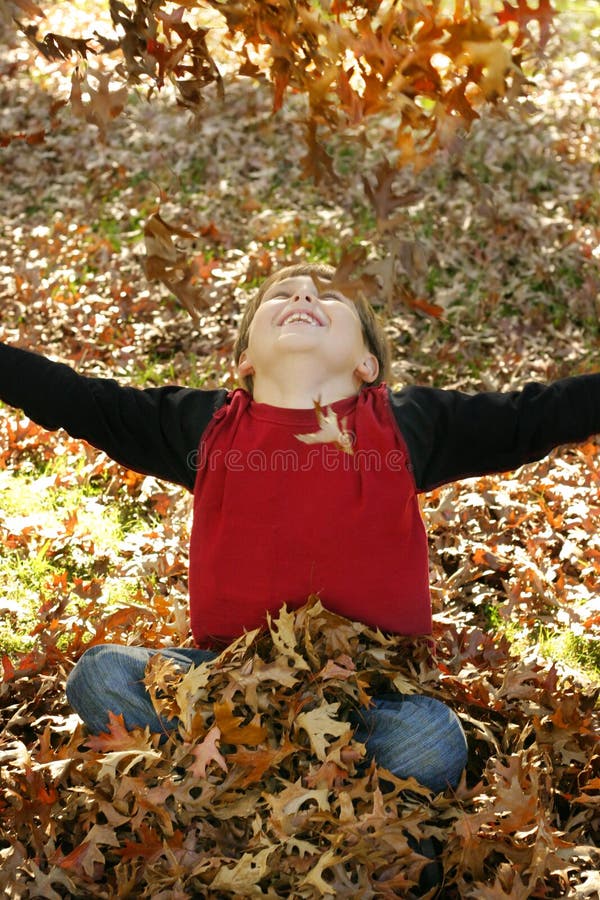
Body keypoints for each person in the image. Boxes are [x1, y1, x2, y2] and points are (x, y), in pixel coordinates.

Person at [1, 261, 598, 795]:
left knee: (432, 740)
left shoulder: (404, 426)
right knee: (100, 674)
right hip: (228, 695)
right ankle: (254, 783)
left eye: (329, 296)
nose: (304, 297)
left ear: (368, 362)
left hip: (368, 701)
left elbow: (534, 416)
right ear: (246, 361)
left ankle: (273, 795)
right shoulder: (204, 429)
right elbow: (80, 401)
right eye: (280, 294)